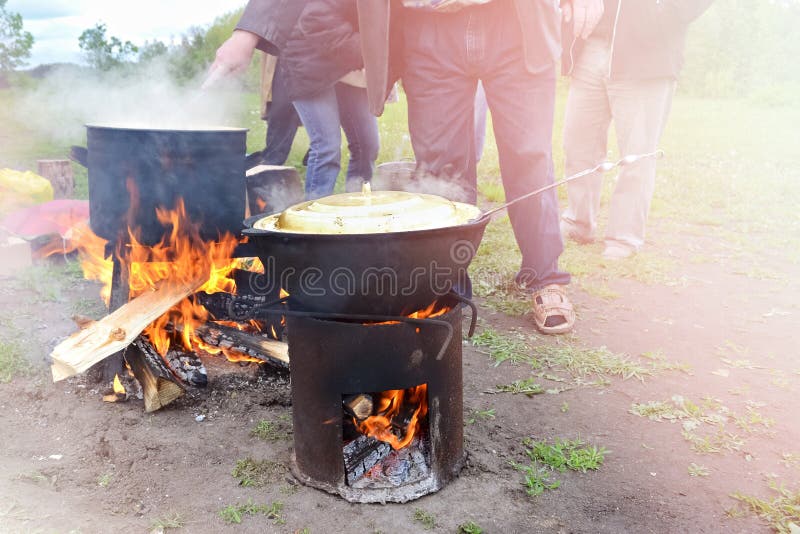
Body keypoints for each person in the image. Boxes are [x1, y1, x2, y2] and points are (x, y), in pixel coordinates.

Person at [356, 0, 603, 335]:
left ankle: (545, 276)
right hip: (427, 23)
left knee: (529, 154)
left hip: (515, 19)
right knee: (440, 165)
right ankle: (446, 284)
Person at [560, 0, 714, 260]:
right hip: (591, 45)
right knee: (577, 144)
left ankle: (624, 237)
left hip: (648, 54)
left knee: (637, 154)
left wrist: (662, 13)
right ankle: (578, 221)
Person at [209, 0, 379, 199]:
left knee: (367, 144)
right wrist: (245, 35)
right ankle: (314, 218)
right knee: (327, 147)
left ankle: (357, 208)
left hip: (349, 57)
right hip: (308, 57)